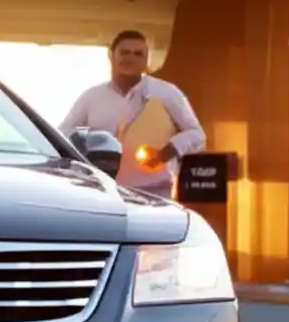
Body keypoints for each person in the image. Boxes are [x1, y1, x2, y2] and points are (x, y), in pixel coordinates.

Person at [58, 30, 206, 198]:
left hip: (154, 191)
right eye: (125, 52)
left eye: (138, 54)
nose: (131, 58)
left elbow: (196, 134)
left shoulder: (166, 93)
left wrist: (166, 152)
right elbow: (64, 133)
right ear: (111, 55)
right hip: (104, 191)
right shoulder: (92, 97)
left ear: (145, 60)